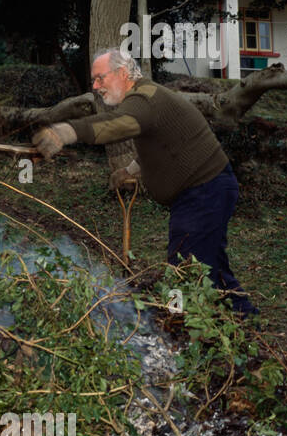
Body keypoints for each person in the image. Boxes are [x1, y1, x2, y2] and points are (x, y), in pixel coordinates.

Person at [33, 49, 258, 316]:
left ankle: (179, 323)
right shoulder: (148, 97)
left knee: (185, 268)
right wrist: (130, 170)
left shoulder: (144, 100)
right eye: (93, 81)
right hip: (210, 189)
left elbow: (116, 124)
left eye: (100, 78)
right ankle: (244, 319)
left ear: (122, 73)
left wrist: (66, 131)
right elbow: (160, 142)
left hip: (204, 192)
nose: (95, 87)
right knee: (209, 264)